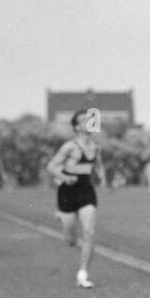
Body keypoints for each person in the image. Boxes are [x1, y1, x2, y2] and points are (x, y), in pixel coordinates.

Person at [46, 109, 106, 288]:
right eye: (84, 120)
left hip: (87, 191)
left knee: (89, 232)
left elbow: (99, 165)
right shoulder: (69, 147)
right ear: (77, 127)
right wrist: (65, 178)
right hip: (67, 192)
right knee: (71, 241)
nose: (89, 122)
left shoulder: (95, 147)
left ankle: (83, 273)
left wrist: (102, 178)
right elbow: (51, 167)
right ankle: (61, 216)